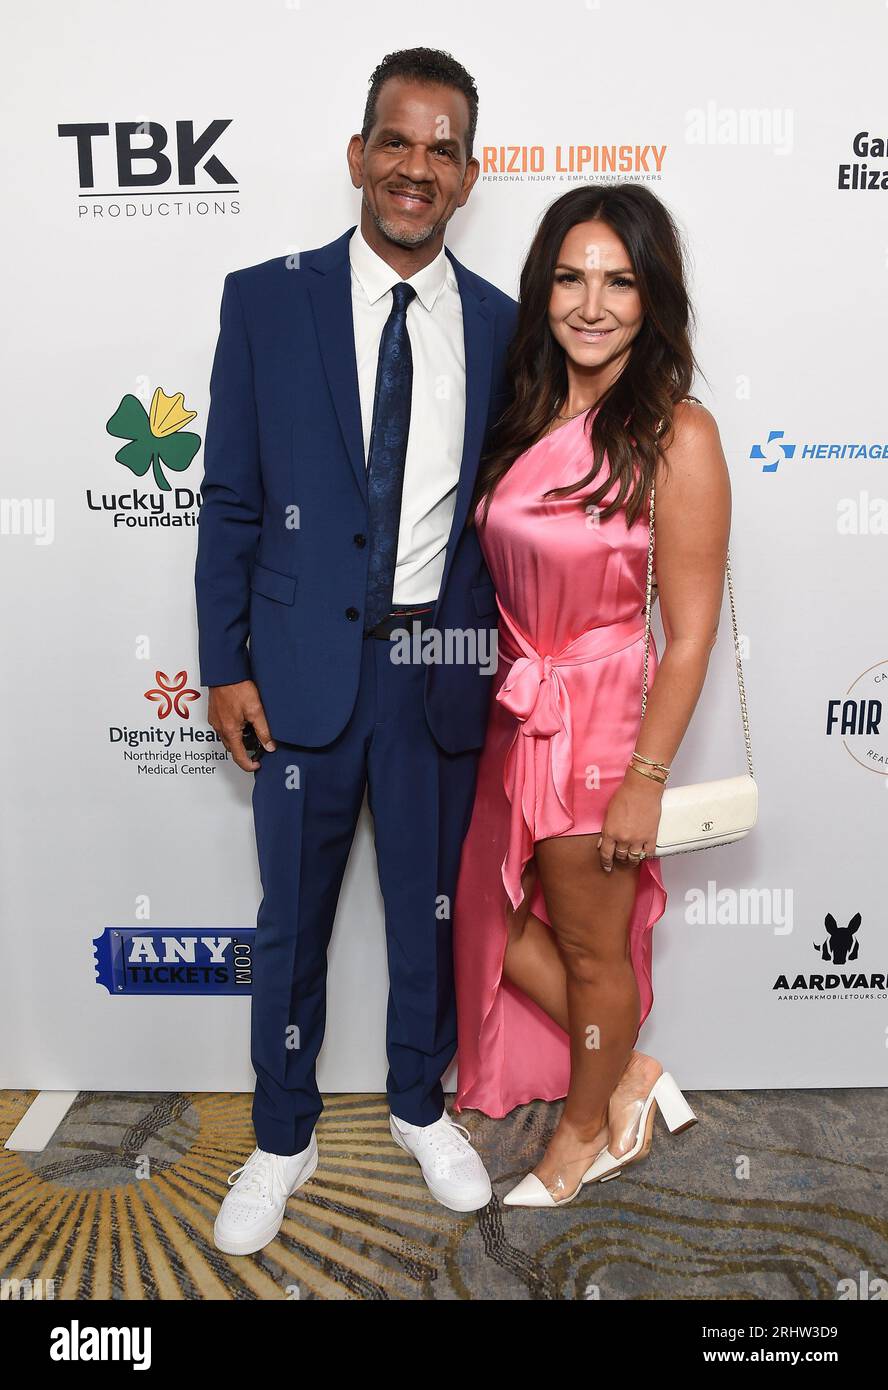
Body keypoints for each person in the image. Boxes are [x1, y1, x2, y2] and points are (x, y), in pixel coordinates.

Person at [194, 47, 519, 1254]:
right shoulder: (264, 299)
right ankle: (284, 1133)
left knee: (426, 911)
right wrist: (224, 661)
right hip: (294, 672)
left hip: (435, 668)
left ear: (470, 175)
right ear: (357, 155)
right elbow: (231, 496)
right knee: (293, 918)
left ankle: (417, 1102)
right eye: (398, 141)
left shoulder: (502, 327)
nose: (416, 168)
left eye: (442, 149)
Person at [452, 183, 731, 1206]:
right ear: (544, 289)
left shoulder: (675, 431)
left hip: (605, 720)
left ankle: (585, 1130)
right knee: (483, 913)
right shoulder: (524, 410)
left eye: (619, 281)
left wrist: (645, 778)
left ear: (651, 298)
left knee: (587, 940)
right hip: (517, 711)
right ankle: (635, 1076)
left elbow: (690, 631)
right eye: (571, 277)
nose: (592, 302)